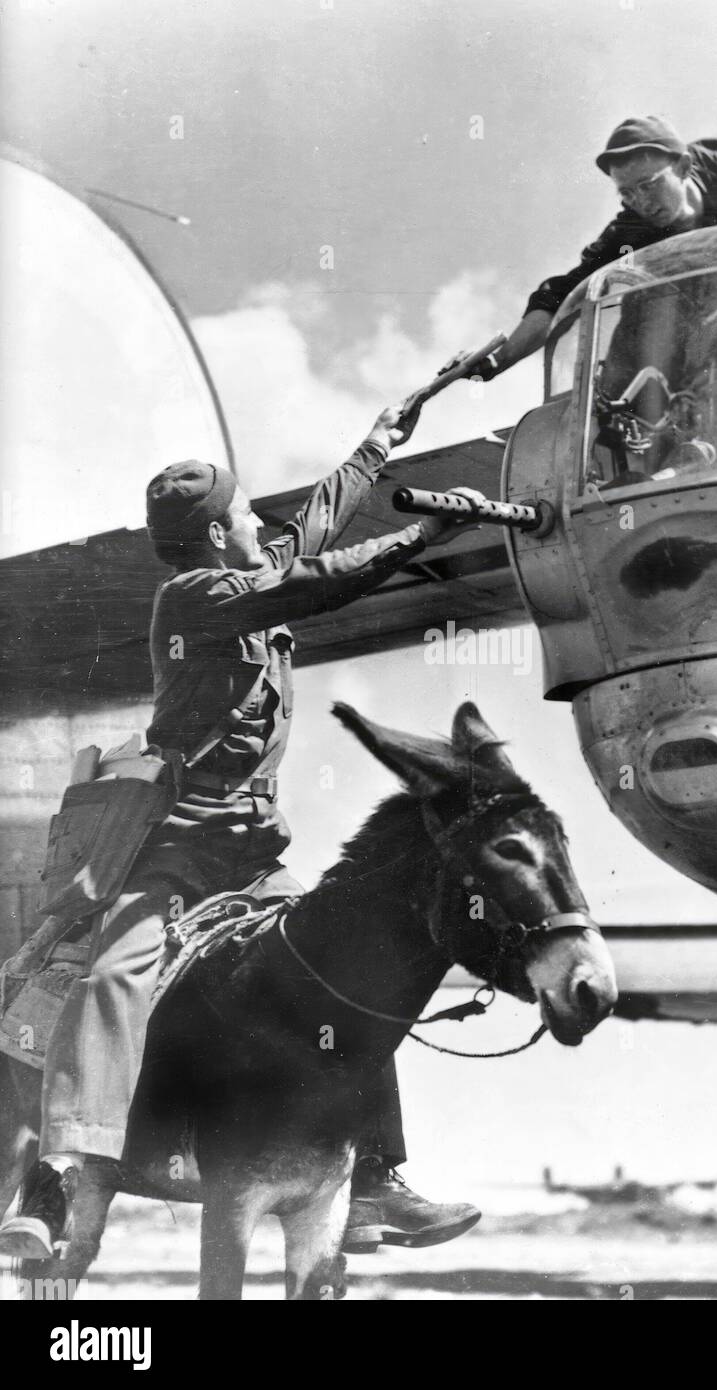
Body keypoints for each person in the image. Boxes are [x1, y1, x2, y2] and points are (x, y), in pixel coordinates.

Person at [0, 405, 483, 1261]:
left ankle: (372, 1176)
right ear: (219, 534)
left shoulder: (238, 577)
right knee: (112, 977)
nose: (263, 523)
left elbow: (310, 531)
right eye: (248, 515)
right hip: (176, 845)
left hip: (254, 853)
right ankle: (61, 1173)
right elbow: (314, 578)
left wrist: (380, 441)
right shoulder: (195, 596)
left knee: (354, 964)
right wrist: (421, 536)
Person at [477, 114, 717, 380]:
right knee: (636, 319)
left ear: (684, 167)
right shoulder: (629, 229)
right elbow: (560, 295)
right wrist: (500, 359)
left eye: (649, 184)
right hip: (706, 309)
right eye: (626, 192)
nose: (640, 200)